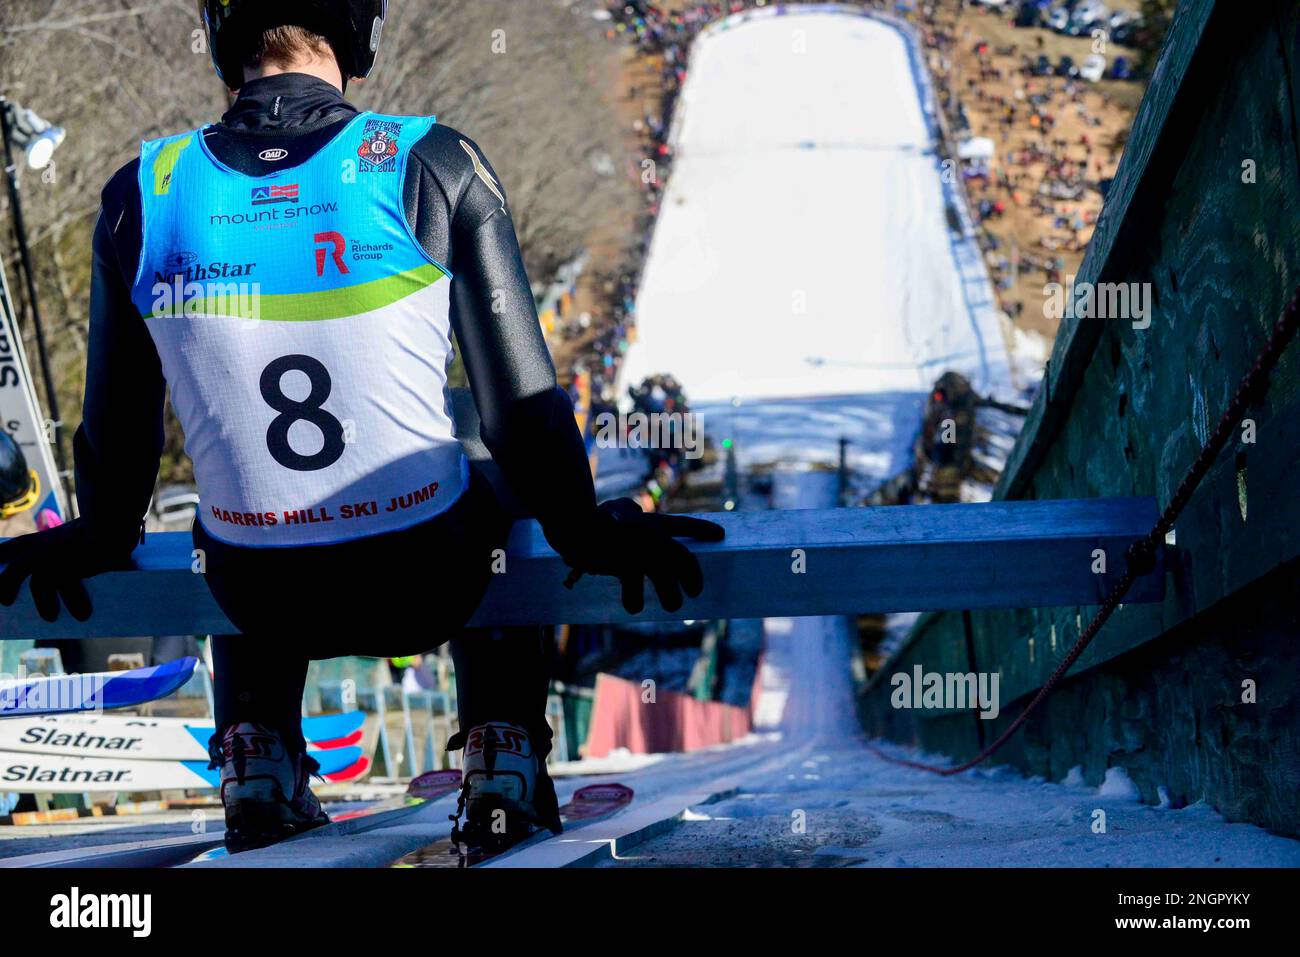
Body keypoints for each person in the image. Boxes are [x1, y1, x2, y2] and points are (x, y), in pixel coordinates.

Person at [0, 0, 722, 854]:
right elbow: (523, 408)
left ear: (222, 34)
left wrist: (96, 532)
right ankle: (504, 753)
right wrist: (586, 531)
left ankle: (257, 756)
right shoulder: (430, 161)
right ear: (361, 28)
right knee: (476, 451)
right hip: (425, 576)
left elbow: (118, 439)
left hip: (256, 596)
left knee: (231, 493)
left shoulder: (141, 191)